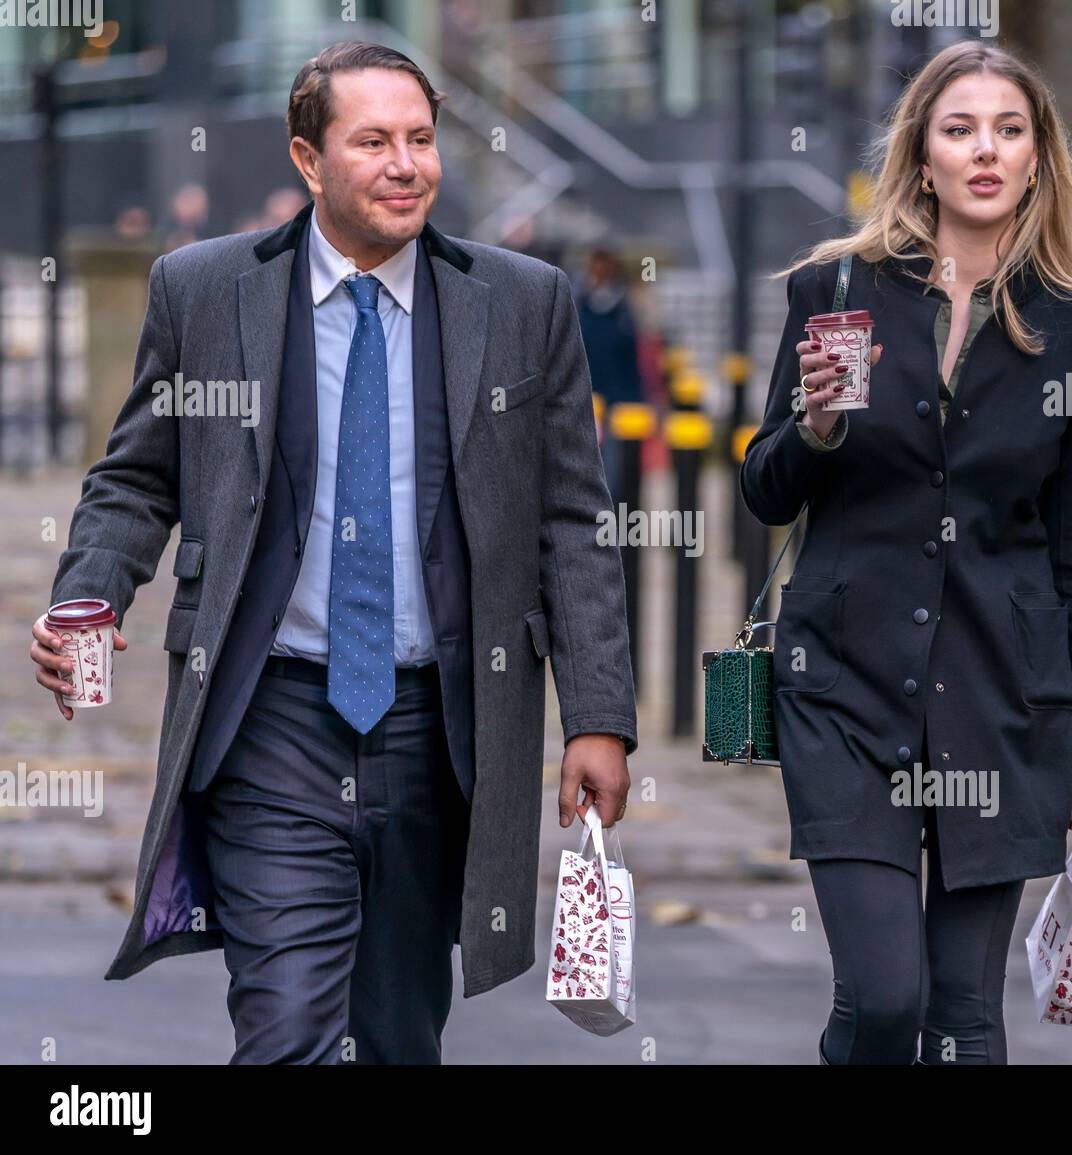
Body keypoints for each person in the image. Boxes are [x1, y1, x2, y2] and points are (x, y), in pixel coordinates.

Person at [30, 41, 637, 1064]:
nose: (407, 165)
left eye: (421, 139)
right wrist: (86, 597)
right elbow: (137, 477)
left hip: (438, 724)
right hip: (271, 718)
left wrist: (600, 717)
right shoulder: (206, 292)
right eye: (373, 142)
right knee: (287, 1028)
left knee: (398, 1034)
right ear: (309, 160)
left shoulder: (522, 302)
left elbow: (570, 520)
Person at [740, 40, 1072, 1066]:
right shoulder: (835, 291)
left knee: (963, 1021)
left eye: (1009, 129)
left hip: (1000, 697)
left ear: (1040, 157)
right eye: (959, 129)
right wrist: (815, 428)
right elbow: (763, 487)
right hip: (844, 691)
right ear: (921, 156)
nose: (985, 150)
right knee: (881, 1000)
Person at [576, 248, 642, 507]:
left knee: (612, 476)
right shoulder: (579, 308)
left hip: (616, 408)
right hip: (584, 405)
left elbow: (630, 364)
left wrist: (634, 401)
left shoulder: (623, 314)